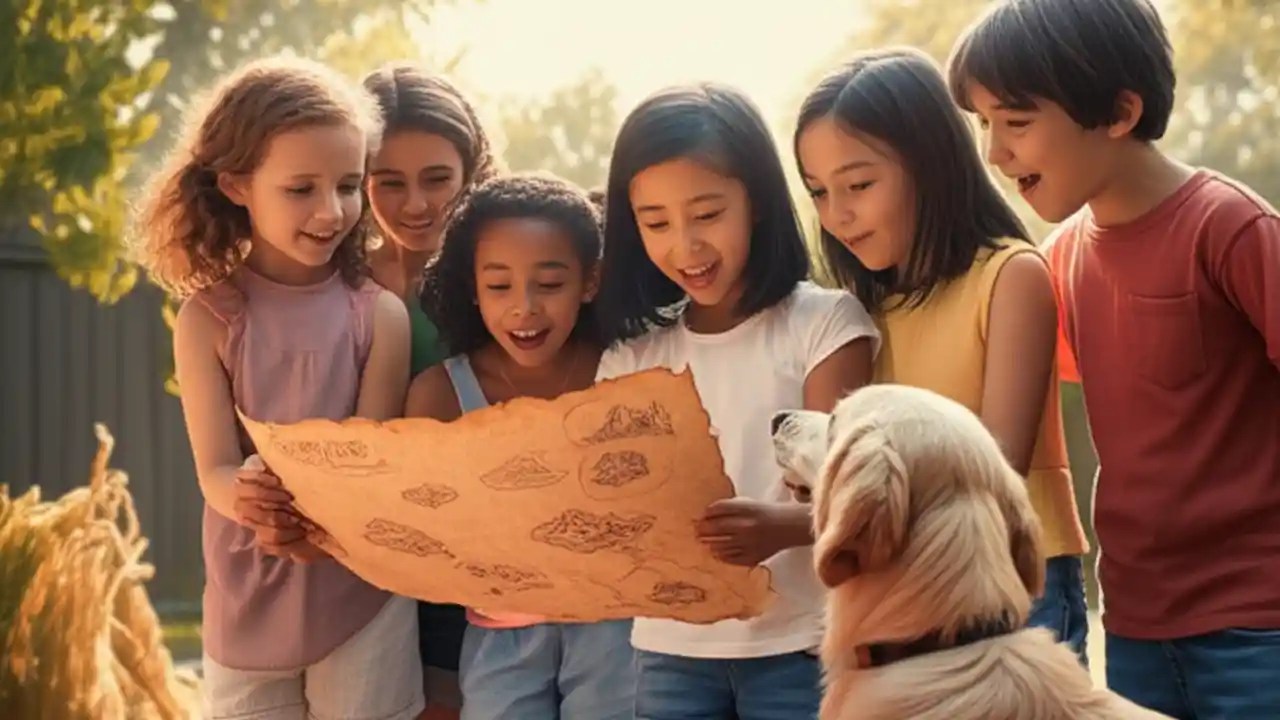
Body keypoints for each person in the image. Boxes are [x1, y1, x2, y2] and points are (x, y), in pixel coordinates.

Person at [950, 1, 1280, 716]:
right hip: (1135, 626)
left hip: (1259, 625)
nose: (995, 153)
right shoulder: (1060, 260)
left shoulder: (1228, 228)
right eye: (983, 126)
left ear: (1119, 111)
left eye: (1015, 122)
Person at [134, 55, 421, 719]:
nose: (332, 210)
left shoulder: (377, 314)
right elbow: (214, 468)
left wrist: (320, 509)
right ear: (236, 185)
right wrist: (252, 496)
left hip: (361, 595)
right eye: (301, 189)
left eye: (349, 185)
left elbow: (366, 463)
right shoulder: (206, 317)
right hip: (246, 592)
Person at [793, 47, 1090, 664]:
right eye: (819, 192)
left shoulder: (1010, 277)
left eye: (859, 185)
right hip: (902, 586)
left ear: (929, 166)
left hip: (1011, 576)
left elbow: (992, 469)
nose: (836, 214)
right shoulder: (861, 307)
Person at [593, 83, 878, 720]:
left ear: (757, 201)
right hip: (669, 651)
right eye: (656, 222)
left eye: (708, 213)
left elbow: (858, 498)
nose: (686, 246)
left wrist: (780, 528)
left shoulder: (824, 325)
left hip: (802, 645)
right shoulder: (631, 358)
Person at [407, 173, 636, 720]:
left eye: (549, 285)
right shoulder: (441, 393)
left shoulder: (627, 373)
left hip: (615, 630)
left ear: (590, 281)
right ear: (473, 288)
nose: (525, 307)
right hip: (496, 636)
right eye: (500, 286)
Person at [362, 62, 499, 717]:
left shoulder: (510, 277)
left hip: (488, 547)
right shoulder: (343, 284)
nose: (415, 204)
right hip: (374, 554)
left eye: (437, 179)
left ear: (472, 170)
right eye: (389, 183)